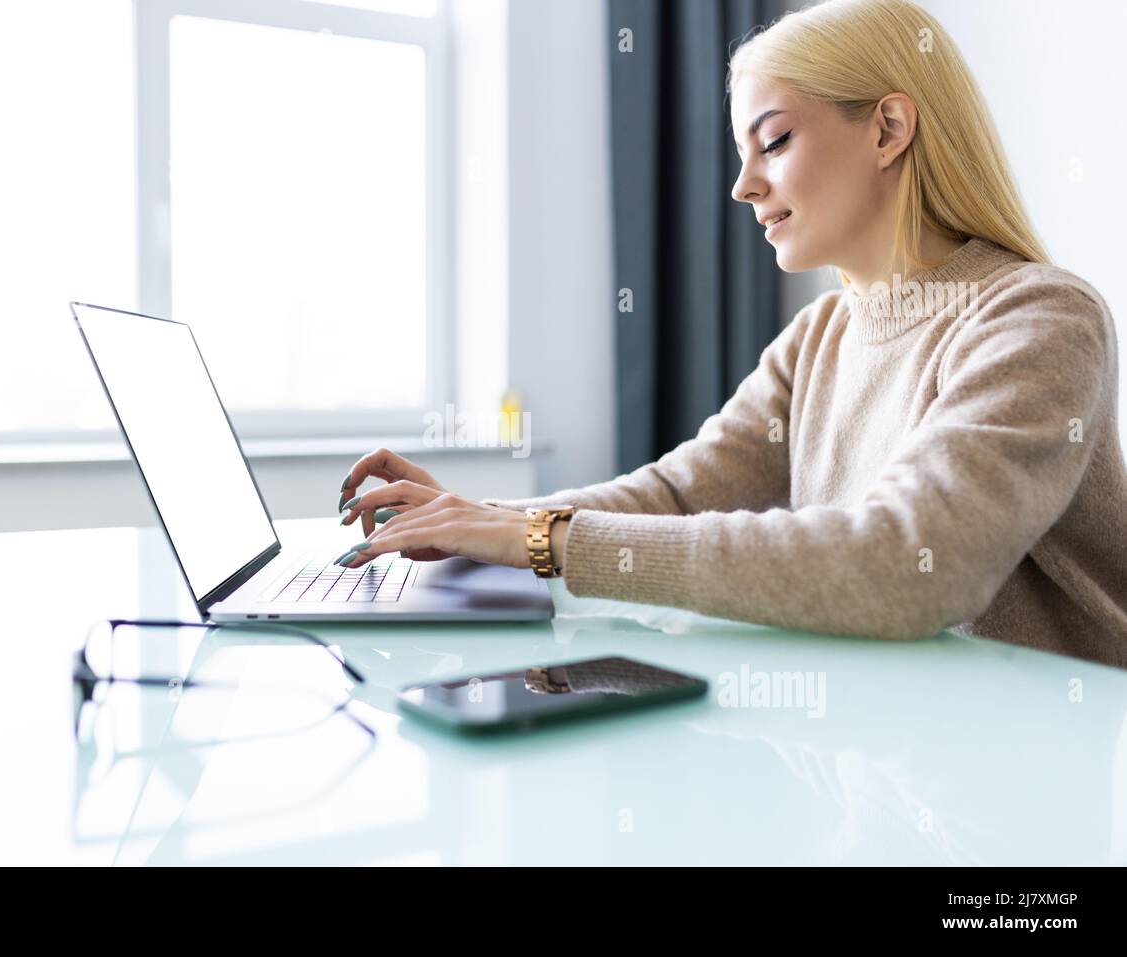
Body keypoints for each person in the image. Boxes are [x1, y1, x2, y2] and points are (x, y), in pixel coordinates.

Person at [330, 0, 1127, 669]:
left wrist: (538, 537)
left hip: (1047, 775)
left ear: (888, 128)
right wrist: (480, 517)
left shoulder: (1041, 320)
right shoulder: (820, 335)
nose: (744, 186)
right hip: (901, 761)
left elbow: (907, 563)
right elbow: (676, 496)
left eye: (773, 141)